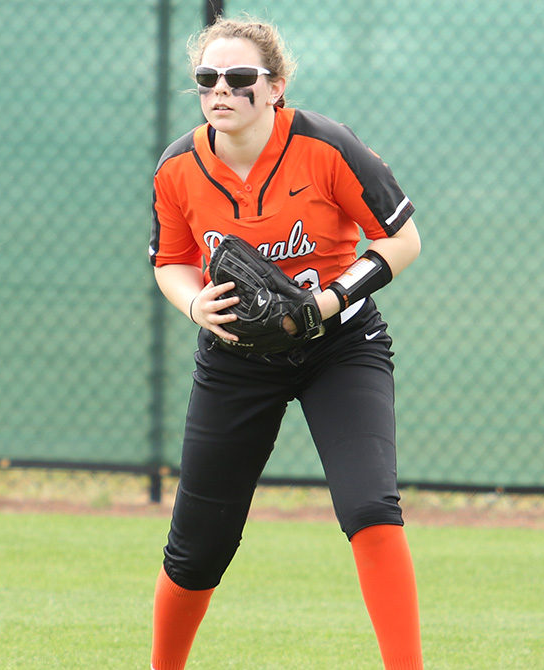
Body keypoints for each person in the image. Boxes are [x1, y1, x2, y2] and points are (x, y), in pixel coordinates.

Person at [147, 15, 423, 670]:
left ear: (275, 86)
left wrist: (328, 301)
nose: (222, 90)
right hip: (238, 357)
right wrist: (195, 304)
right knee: (198, 546)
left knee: (370, 505)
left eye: (241, 78)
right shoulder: (180, 166)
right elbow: (170, 259)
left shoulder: (326, 146)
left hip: (340, 346)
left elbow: (402, 240)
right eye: (207, 79)